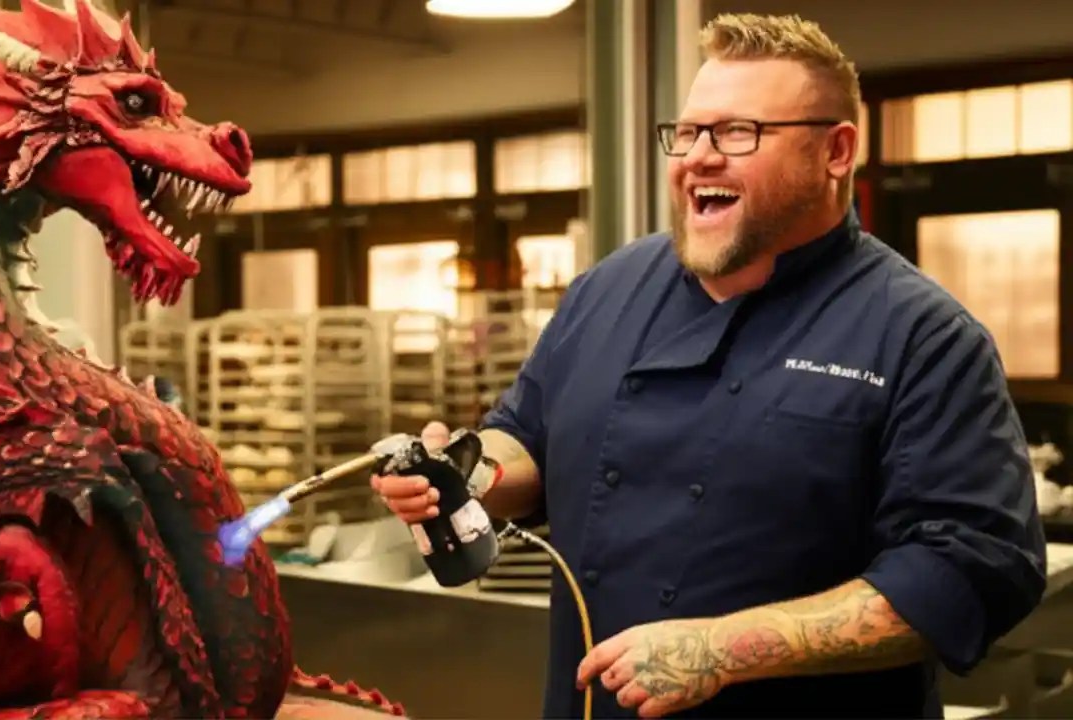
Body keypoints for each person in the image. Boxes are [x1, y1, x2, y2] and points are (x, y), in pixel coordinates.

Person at [370, 12, 1047, 719]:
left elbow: (972, 566)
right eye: (688, 133)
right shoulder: (607, 290)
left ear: (836, 151)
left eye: (737, 133)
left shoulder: (921, 335)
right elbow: (528, 437)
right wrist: (469, 473)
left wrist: (723, 648)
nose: (698, 156)